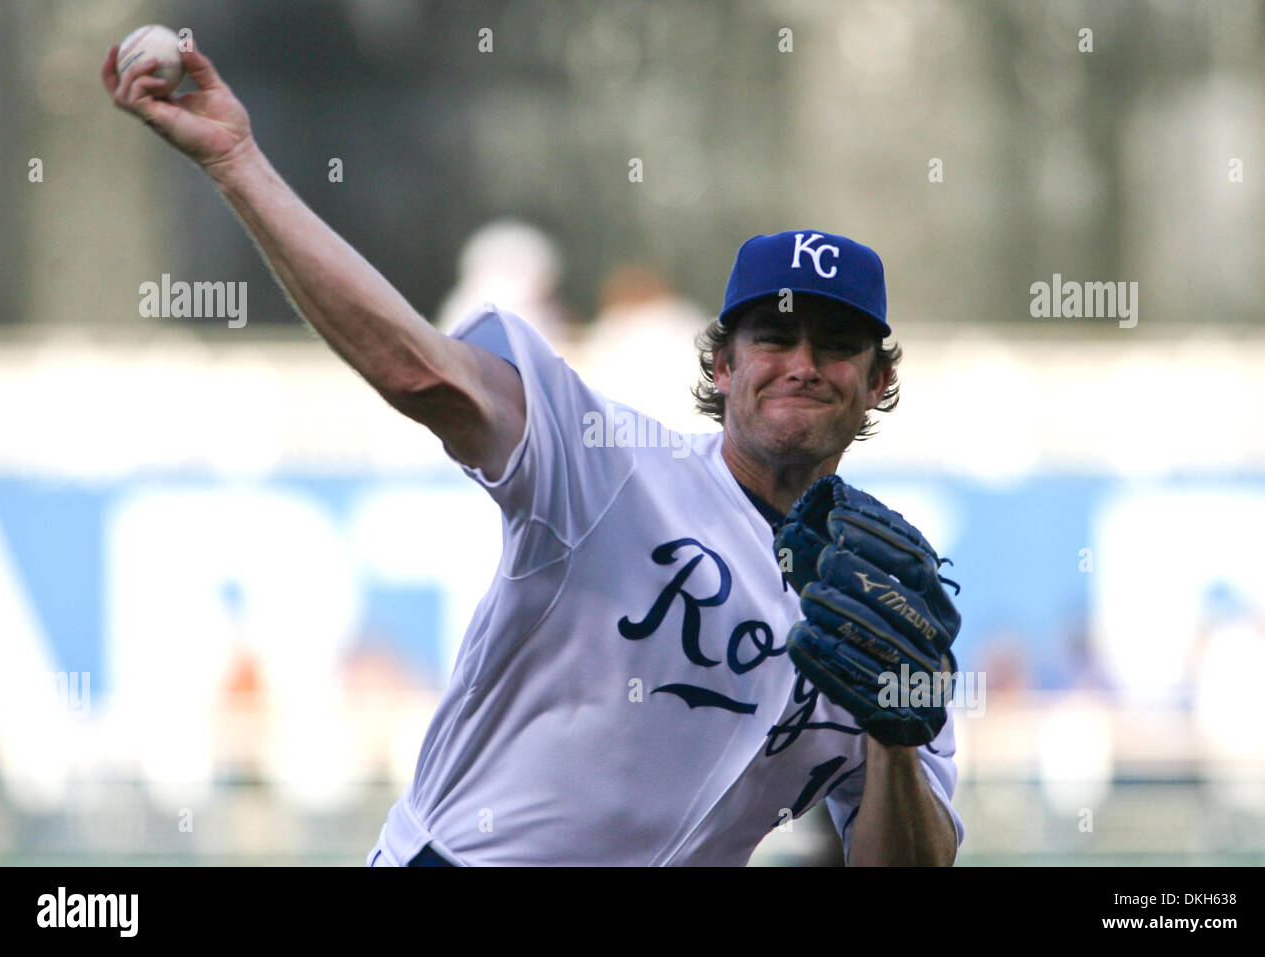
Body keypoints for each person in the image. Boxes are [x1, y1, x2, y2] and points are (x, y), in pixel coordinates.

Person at [102, 42, 962, 867]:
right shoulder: (611, 464)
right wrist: (237, 162)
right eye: (774, 335)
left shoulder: (888, 602)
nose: (803, 364)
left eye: (838, 343)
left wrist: (893, 732)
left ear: (879, 379)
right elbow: (418, 370)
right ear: (721, 362)